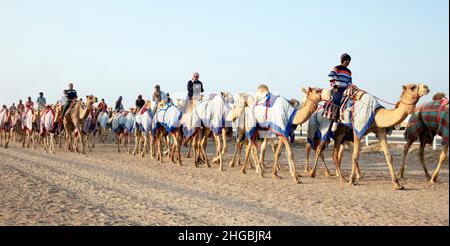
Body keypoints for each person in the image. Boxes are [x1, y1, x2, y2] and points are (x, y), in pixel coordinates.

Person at [327, 53, 352, 131]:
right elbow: (331, 76)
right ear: (343, 60)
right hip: (337, 89)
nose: (348, 62)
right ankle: (335, 121)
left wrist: (350, 88)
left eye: (349, 61)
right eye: (346, 60)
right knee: (337, 103)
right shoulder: (337, 68)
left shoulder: (349, 71)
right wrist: (334, 86)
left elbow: (349, 81)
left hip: (345, 89)